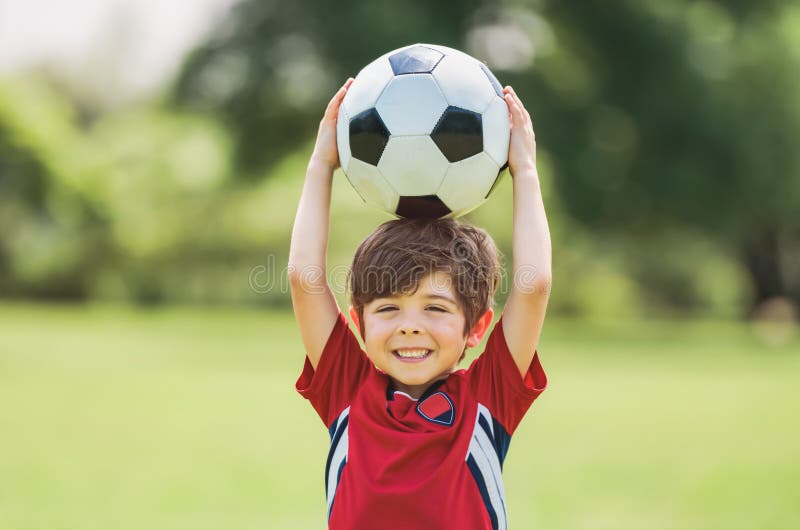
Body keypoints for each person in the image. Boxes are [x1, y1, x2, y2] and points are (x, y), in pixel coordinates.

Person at [288, 77, 552, 530]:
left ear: (476, 327)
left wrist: (525, 171)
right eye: (388, 308)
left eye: (435, 308)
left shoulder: (487, 398)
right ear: (360, 322)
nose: (410, 326)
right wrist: (322, 163)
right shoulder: (347, 390)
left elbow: (534, 284)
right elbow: (304, 277)